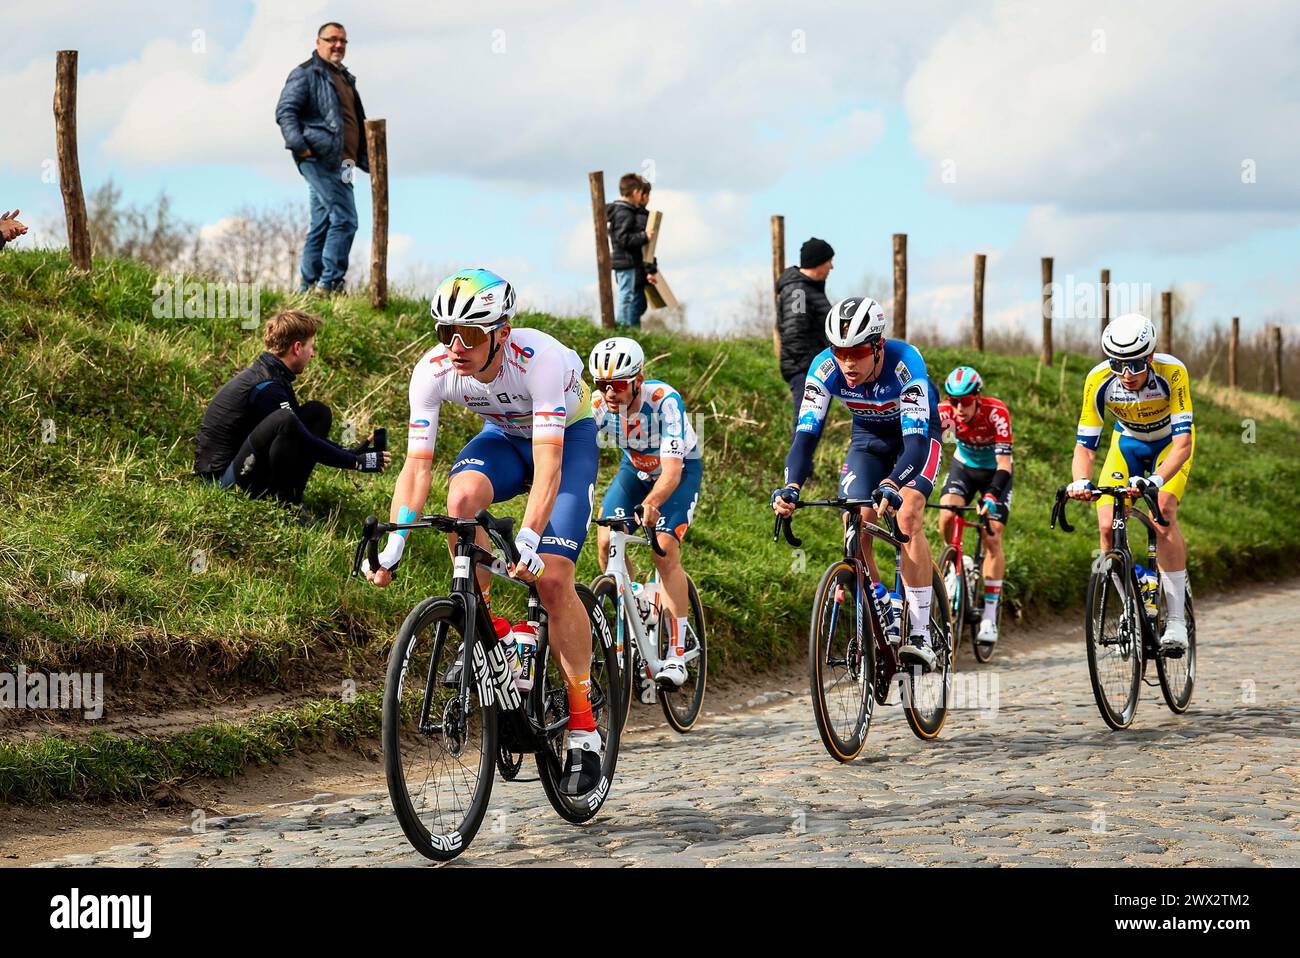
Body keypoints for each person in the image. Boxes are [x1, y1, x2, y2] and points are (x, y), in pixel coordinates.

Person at [362, 268, 604, 795]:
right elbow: (417, 467)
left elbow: (549, 468)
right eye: (444, 332)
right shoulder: (433, 369)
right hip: (501, 438)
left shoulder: (540, 360)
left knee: (554, 580)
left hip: (566, 443)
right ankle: (487, 632)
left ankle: (584, 729)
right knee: (461, 500)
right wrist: (395, 542)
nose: (455, 345)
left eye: (469, 334)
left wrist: (532, 541)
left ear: (502, 332)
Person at [771, 297, 943, 671]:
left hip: (916, 438)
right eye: (839, 351)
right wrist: (791, 487)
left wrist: (894, 482)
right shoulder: (824, 369)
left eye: (859, 351)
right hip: (867, 439)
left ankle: (919, 634)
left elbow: (914, 445)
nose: (848, 362)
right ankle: (881, 600)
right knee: (854, 520)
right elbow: (804, 437)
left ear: (878, 346)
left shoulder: (905, 363)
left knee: (907, 517)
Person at [1067, 313, 1194, 651]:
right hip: (1128, 445)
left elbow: (1184, 444)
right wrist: (1081, 480)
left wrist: (1155, 479)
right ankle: (1131, 600)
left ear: (1150, 357)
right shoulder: (1098, 379)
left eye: (1136, 365)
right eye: (1117, 364)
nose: (1126, 374)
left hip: (1169, 444)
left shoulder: (1173, 372)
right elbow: (1085, 445)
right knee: (1107, 524)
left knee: (1162, 512)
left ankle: (1177, 621)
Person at [589, 337, 701, 689]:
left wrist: (652, 504)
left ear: (639, 378)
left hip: (677, 472)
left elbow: (670, 472)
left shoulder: (664, 401)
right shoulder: (597, 406)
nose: (610, 393)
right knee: (606, 539)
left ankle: (677, 655)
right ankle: (639, 599)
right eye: (603, 384)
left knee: (664, 550)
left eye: (619, 384)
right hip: (634, 468)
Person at [194, 309, 389, 504]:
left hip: (240, 464)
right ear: (297, 348)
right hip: (220, 483)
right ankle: (286, 503)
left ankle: (291, 499)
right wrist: (355, 463)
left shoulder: (274, 375)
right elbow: (303, 439)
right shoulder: (267, 386)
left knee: (317, 413)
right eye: (311, 347)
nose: (312, 354)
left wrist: (352, 453)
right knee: (286, 421)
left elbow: (304, 434)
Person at [275, 22, 369, 293]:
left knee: (323, 222)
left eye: (343, 41)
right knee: (345, 218)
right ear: (318, 42)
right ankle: (331, 282)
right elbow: (285, 111)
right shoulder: (306, 73)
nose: (338, 45)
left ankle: (308, 286)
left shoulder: (344, 78)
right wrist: (300, 147)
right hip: (320, 158)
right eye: (332, 39)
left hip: (346, 163)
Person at [936, 366, 1014, 644]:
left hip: (995, 474)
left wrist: (992, 495)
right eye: (953, 400)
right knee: (946, 515)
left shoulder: (996, 413)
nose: (959, 407)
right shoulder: (945, 413)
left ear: (977, 398)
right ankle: (958, 563)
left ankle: (990, 616)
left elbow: (1004, 463)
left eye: (965, 401)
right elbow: (939, 447)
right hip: (964, 468)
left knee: (991, 535)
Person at [774, 238, 834, 433]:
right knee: (806, 427)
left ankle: (802, 464)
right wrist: (811, 370)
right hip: (806, 371)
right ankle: (796, 465)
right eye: (828, 261)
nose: (831, 267)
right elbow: (794, 333)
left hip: (814, 370)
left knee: (810, 427)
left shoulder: (808, 288)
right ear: (817, 262)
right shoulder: (799, 292)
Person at [606, 174, 658, 327]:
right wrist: (644, 236)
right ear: (636, 192)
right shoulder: (625, 212)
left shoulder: (624, 211)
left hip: (626, 261)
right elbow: (623, 238)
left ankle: (625, 326)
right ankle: (622, 326)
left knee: (629, 296)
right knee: (627, 296)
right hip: (625, 261)